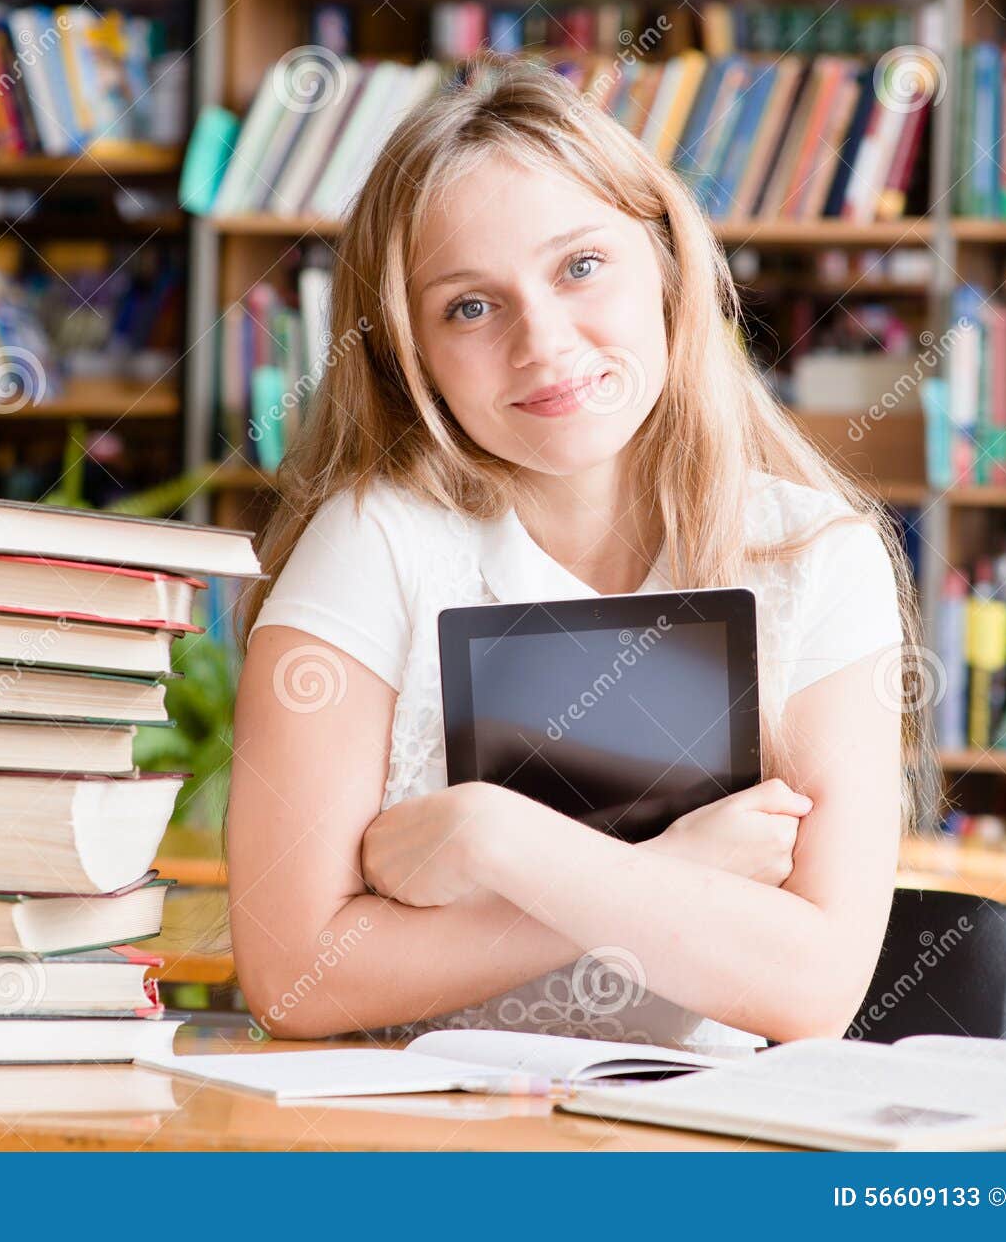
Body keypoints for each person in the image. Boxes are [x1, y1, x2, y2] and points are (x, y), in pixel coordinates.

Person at [227, 53, 937, 1049]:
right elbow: (296, 978)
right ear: (406, 351)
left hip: (699, 1149)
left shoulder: (814, 555)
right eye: (469, 306)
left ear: (666, 263)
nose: (544, 342)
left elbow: (811, 988)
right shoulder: (372, 543)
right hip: (410, 1146)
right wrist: (669, 872)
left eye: (579, 266)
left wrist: (496, 839)